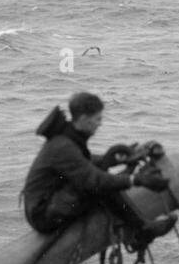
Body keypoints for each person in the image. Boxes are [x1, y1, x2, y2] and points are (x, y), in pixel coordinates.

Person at [21, 91, 169, 234]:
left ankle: (139, 226)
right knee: (101, 185)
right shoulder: (64, 146)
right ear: (85, 119)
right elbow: (94, 179)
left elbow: (81, 162)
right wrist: (136, 180)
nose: (100, 124)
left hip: (46, 206)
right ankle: (142, 229)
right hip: (43, 216)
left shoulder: (67, 137)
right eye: (98, 119)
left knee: (101, 179)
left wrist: (116, 159)